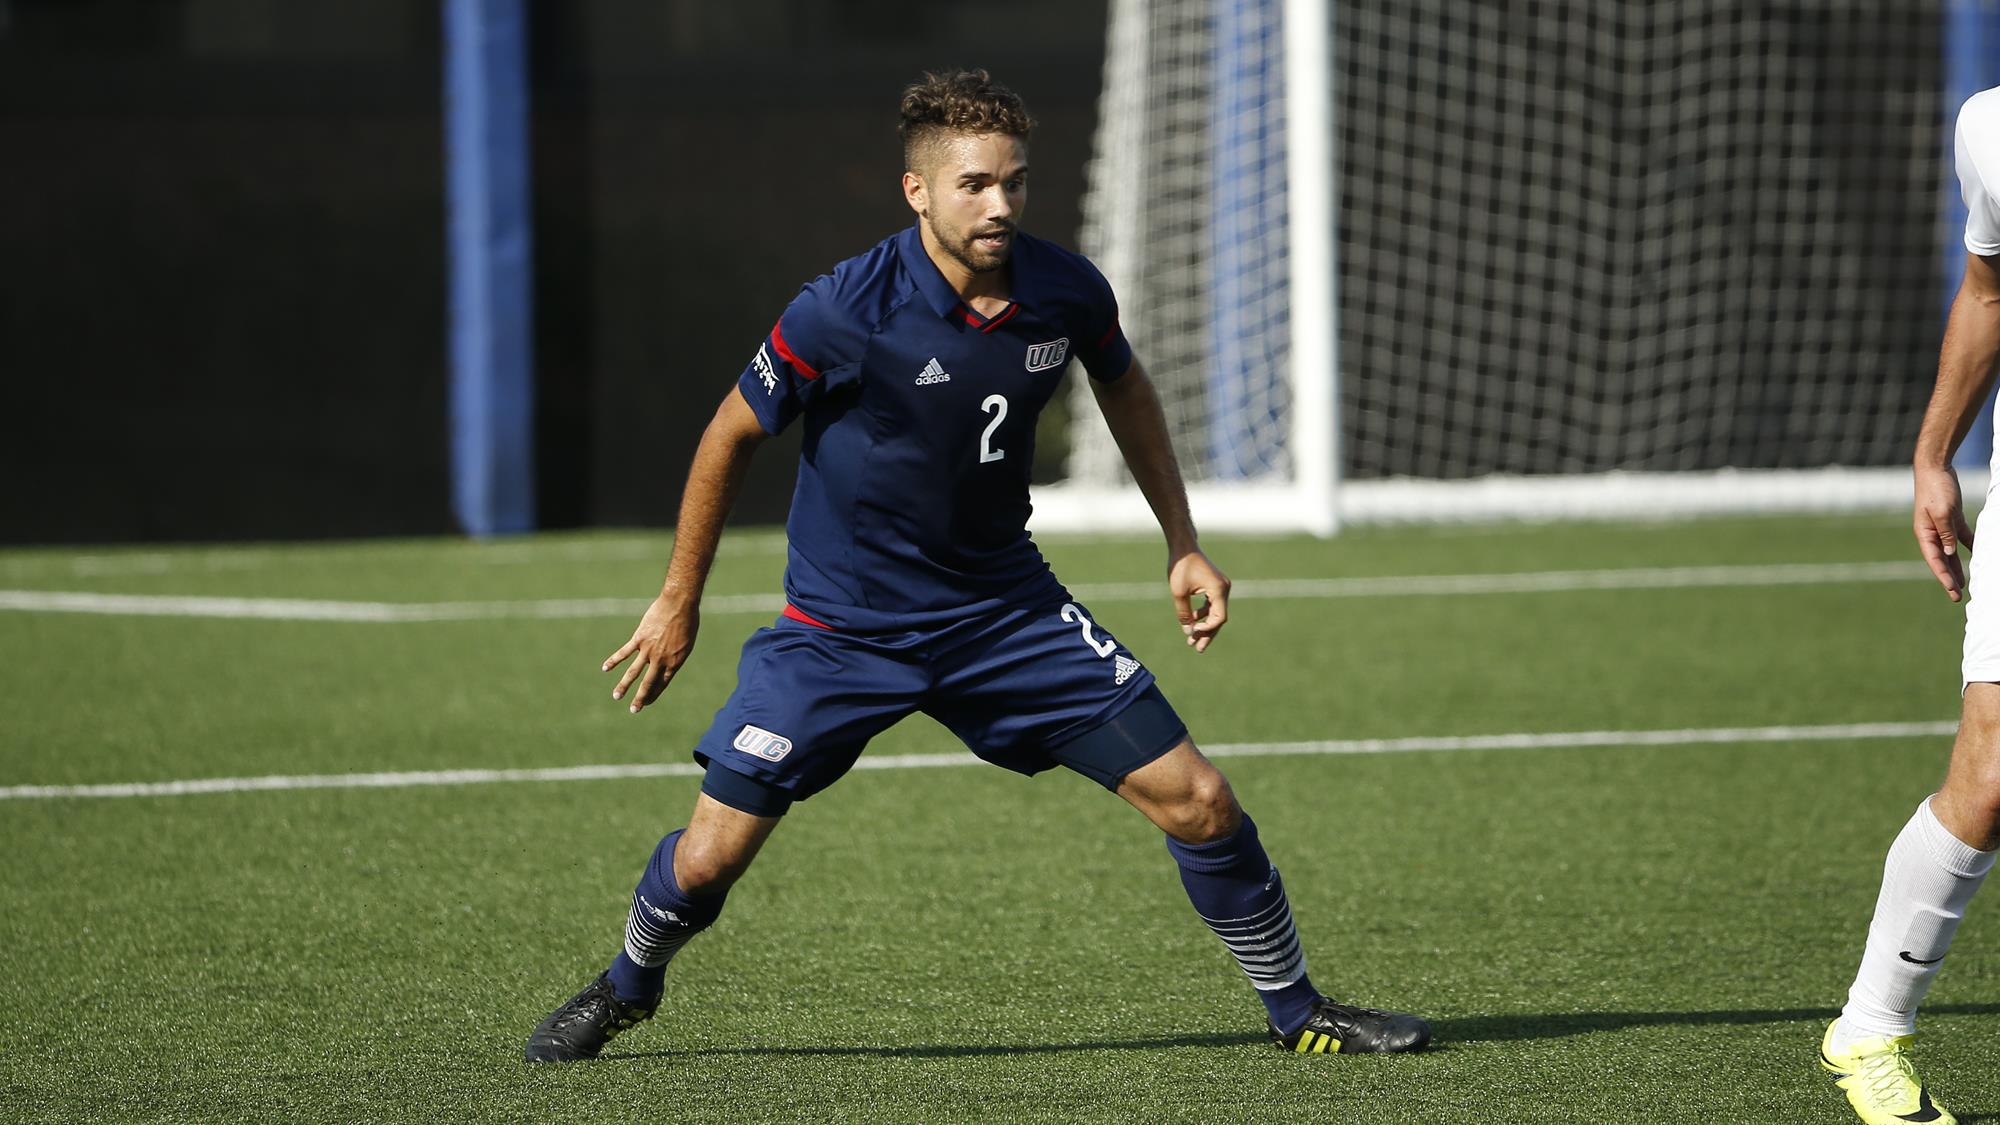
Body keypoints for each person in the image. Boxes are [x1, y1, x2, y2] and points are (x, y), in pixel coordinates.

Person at [524, 69, 1430, 1064]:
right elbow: (727, 435)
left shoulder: (1064, 290)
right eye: (974, 185)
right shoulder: (842, 310)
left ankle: (1298, 1012)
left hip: (1005, 614)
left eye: (1014, 182)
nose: (999, 204)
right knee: (705, 863)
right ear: (917, 192)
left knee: (1201, 800)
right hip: (841, 631)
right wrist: (676, 600)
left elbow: (1124, 389)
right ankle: (625, 987)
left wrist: (1181, 542)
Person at [1821, 88, 2000, 1125]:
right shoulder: (1989, 127)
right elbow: (1987, 290)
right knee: (1987, 775)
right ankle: (1869, 1028)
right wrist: (1933, 453)